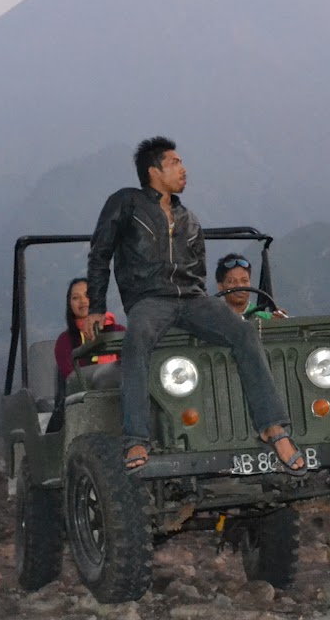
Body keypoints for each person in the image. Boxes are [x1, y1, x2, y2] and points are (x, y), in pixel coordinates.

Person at [85, 137, 305, 474]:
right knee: (137, 340)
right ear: (153, 171)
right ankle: (137, 438)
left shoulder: (189, 219)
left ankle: (273, 427)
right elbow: (100, 253)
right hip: (149, 298)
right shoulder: (126, 202)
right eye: (174, 162)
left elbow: (198, 272)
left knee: (244, 333)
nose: (183, 169)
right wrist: (96, 306)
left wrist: (201, 303)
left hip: (192, 299)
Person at [47, 278, 123, 434]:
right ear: (70, 305)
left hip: (121, 399)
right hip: (80, 406)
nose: (83, 301)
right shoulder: (65, 341)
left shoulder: (119, 332)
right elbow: (72, 379)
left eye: (87, 295)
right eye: (76, 297)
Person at [215, 252, 287, 320]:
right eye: (232, 281)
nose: (240, 286)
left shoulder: (269, 319)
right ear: (220, 286)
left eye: (245, 280)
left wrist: (283, 324)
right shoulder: (211, 320)